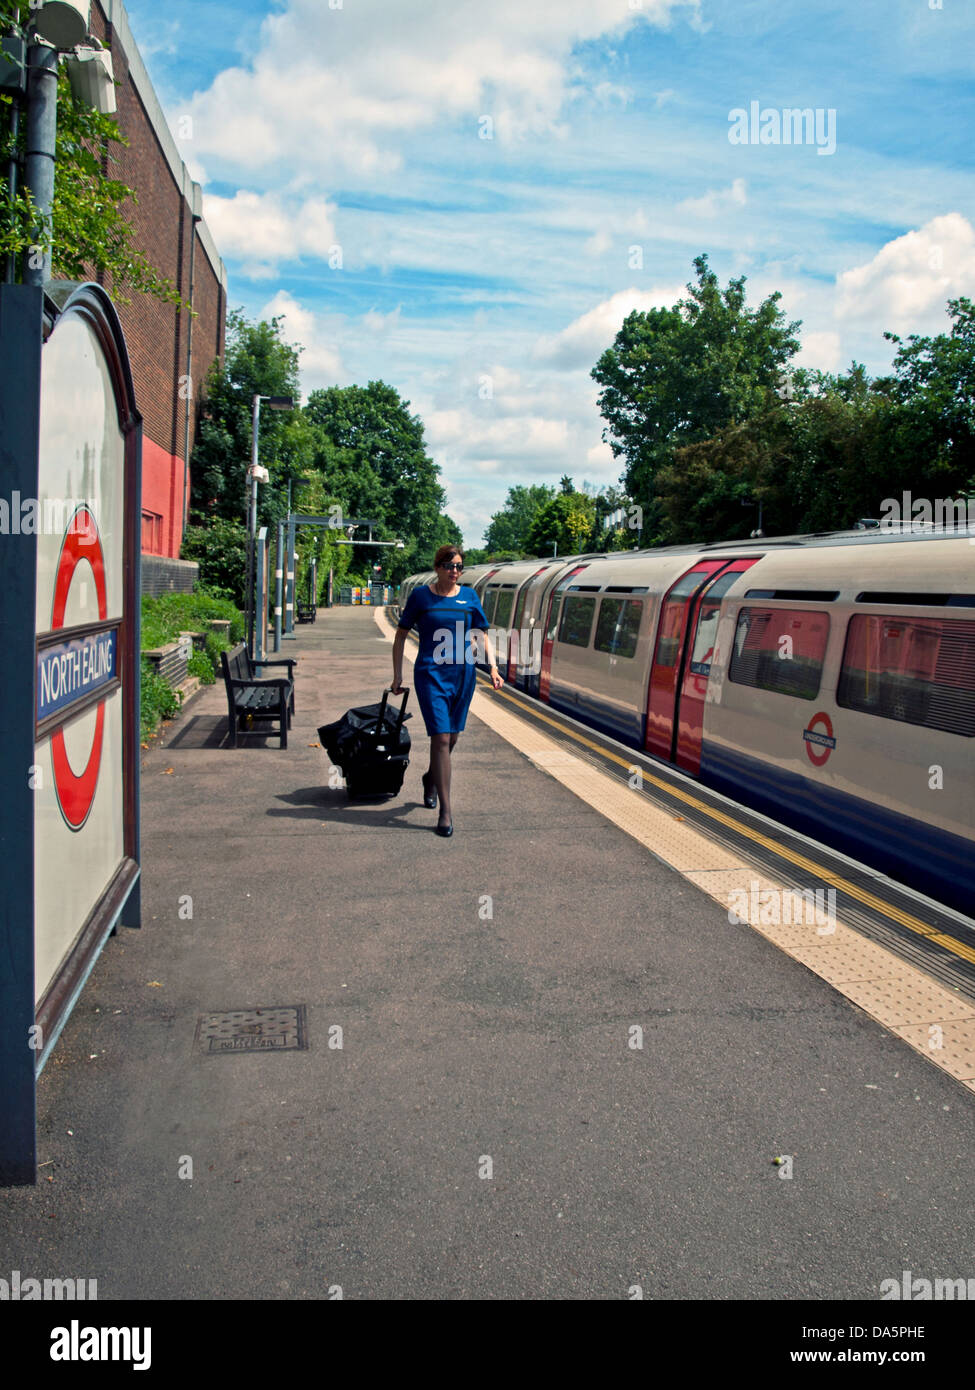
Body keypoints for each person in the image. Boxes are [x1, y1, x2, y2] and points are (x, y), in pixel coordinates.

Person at [391, 546, 503, 836]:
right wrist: (397, 676)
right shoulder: (421, 597)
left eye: (459, 567)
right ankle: (446, 812)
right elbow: (401, 635)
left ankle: (431, 778)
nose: (455, 571)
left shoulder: (469, 597)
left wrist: (492, 667)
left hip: (463, 675)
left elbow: (482, 634)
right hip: (430, 673)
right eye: (449, 566)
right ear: (437, 567)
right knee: (440, 738)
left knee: (451, 739)